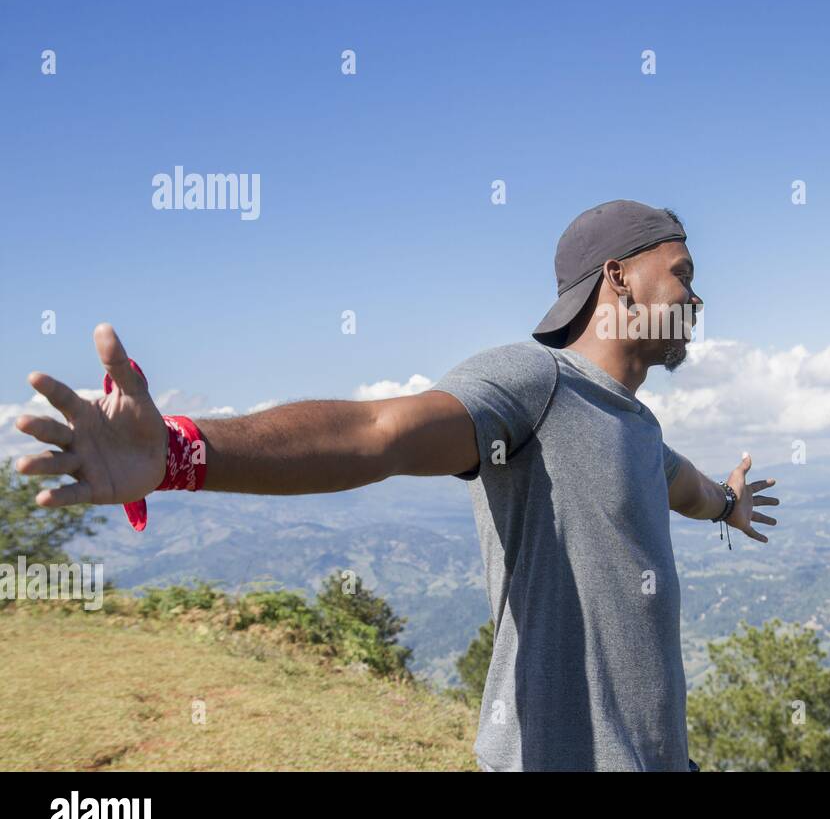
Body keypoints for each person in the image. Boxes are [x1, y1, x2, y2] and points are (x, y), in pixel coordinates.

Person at [12, 198, 781, 771]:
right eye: (681, 274)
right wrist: (184, 450)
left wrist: (726, 503)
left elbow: (673, 479)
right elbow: (377, 434)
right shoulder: (534, 380)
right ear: (617, 276)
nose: (694, 298)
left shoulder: (636, 425)